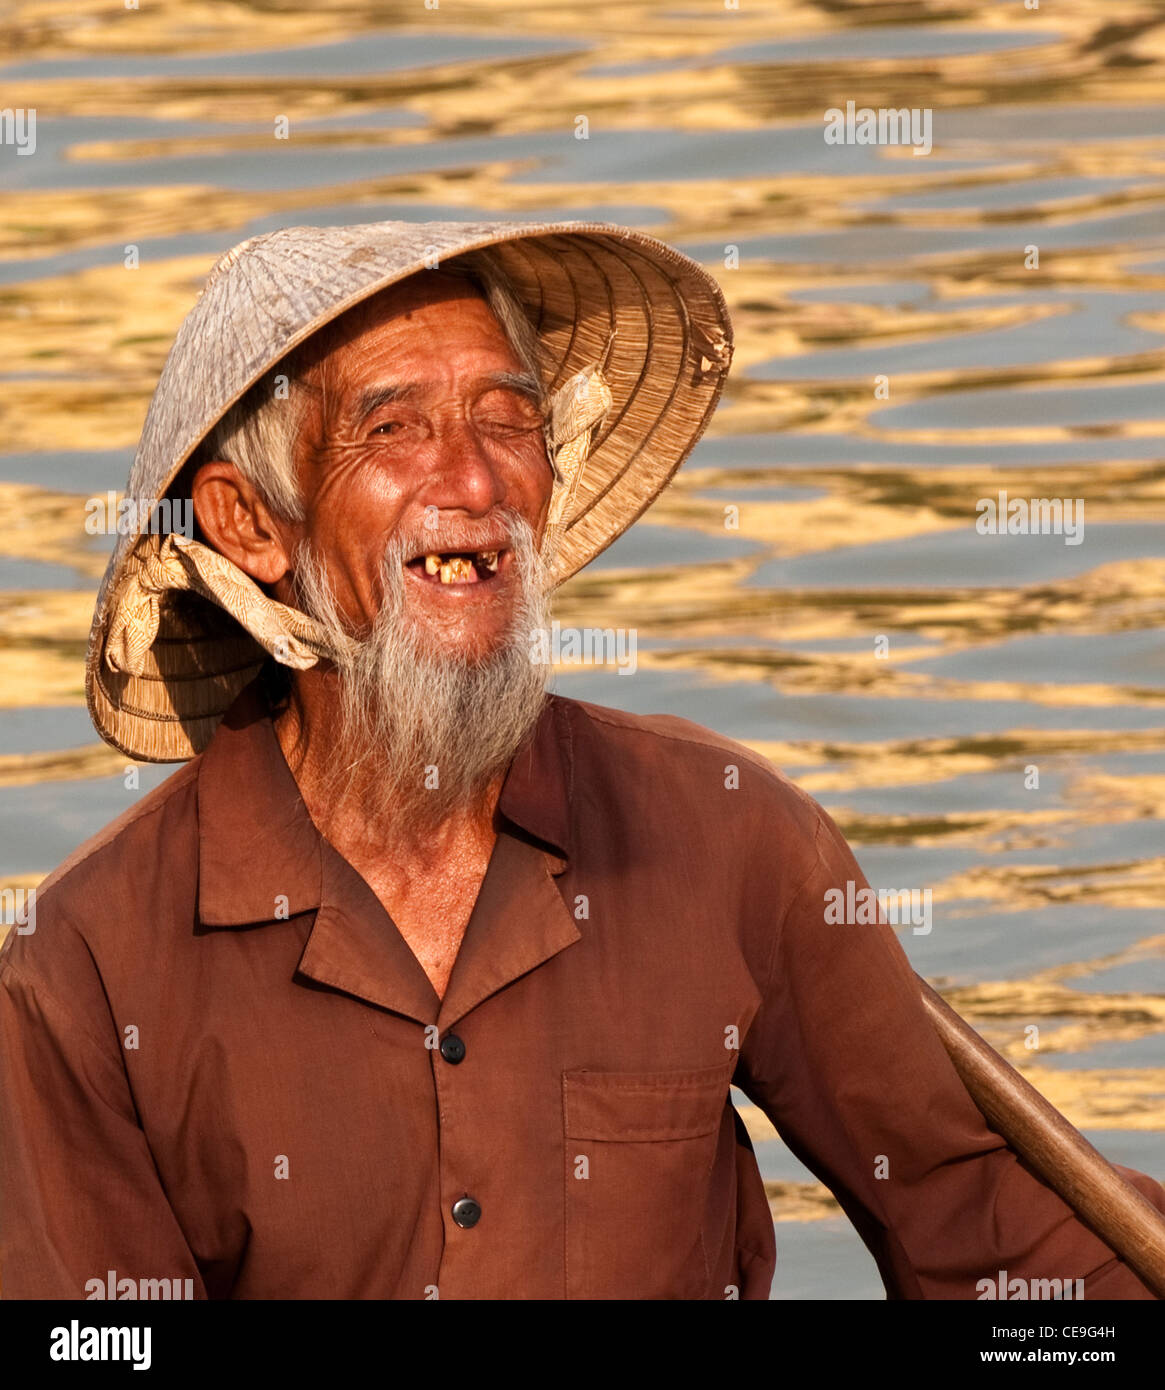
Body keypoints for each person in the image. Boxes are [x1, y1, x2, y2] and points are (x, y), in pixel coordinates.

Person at [0, 220, 1160, 1300]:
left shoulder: (722, 833)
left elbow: (994, 1247)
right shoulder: (92, 965)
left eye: (507, 422)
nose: (473, 482)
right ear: (252, 526)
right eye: (391, 428)